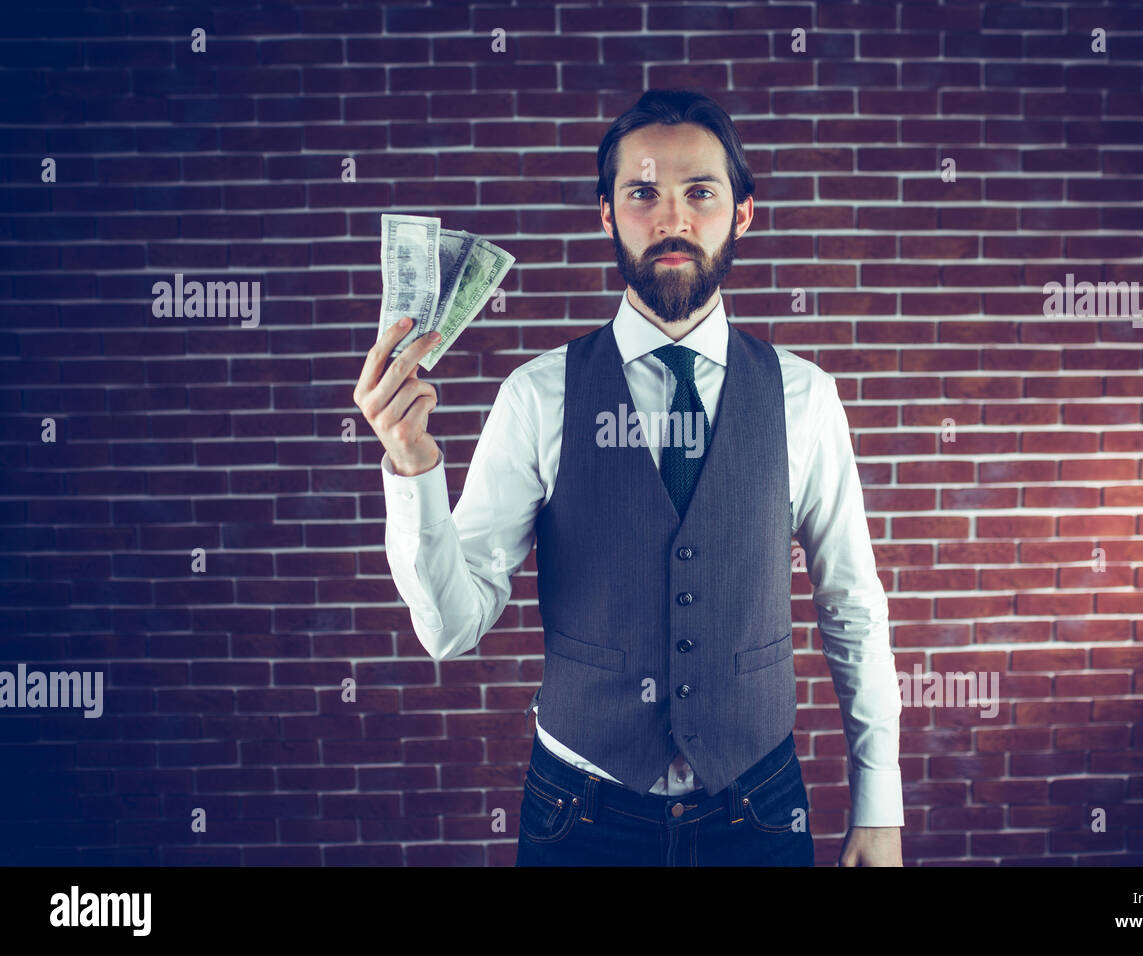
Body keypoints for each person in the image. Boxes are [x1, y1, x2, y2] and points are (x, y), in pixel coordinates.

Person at [354, 89, 903, 866]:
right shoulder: (537, 394)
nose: (672, 219)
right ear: (607, 215)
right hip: (579, 818)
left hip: (759, 810)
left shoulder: (804, 394)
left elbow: (852, 604)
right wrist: (412, 466)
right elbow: (449, 626)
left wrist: (879, 806)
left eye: (699, 193)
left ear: (742, 213)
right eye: (643, 193)